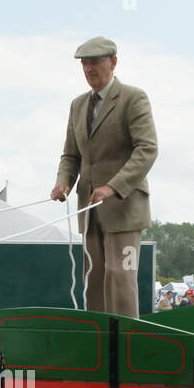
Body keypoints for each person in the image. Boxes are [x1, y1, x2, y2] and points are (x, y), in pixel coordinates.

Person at [51, 36, 157, 318]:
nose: (89, 69)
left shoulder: (134, 98)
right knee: (94, 279)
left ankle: (126, 344)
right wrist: (63, 182)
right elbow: (70, 155)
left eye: (95, 62)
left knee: (120, 276)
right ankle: (97, 345)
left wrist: (113, 187)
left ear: (113, 62)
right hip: (89, 209)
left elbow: (147, 149)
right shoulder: (77, 105)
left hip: (125, 209)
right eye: (84, 64)